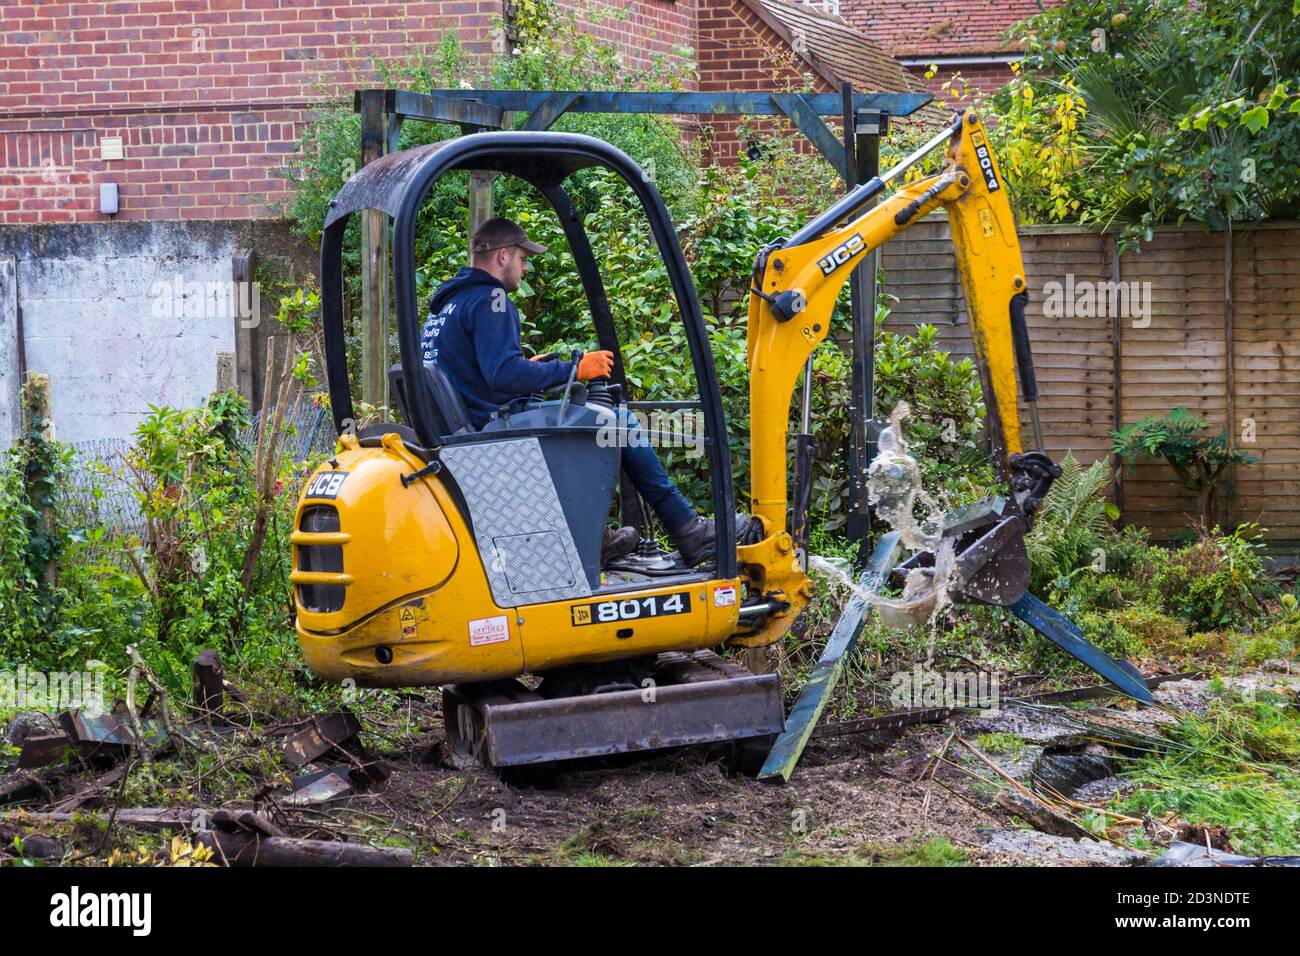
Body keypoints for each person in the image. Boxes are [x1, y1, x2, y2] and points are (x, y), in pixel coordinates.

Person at [420, 217, 715, 567]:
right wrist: (576, 369)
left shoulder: (447, 306)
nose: (525, 268)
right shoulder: (492, 298)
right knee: (618, 423)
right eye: (522, 258)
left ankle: (588, 537)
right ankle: (687, 529)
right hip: (493, 434)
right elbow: (503, 375)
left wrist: (533, 367)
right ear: (502, 256)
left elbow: (474, 371)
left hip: (466, 432)